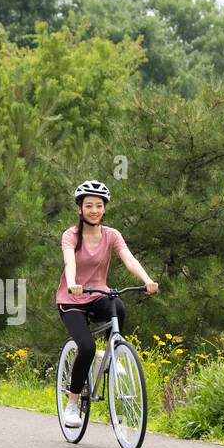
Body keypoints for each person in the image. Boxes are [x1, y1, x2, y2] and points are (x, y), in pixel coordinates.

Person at [57, 181, 158, 428]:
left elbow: (129, 260)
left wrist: (147, 280)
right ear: (80, 209)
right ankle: (72, 403)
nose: (94, 210)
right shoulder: (71, 235)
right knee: (86, 347)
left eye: (98, 206)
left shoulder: (112, 235)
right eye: (88, 205)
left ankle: (112, 357)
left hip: (97, 294)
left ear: (104, 209)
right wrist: (72, 282)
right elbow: (70, 262)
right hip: (71, 300)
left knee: (118, 306)